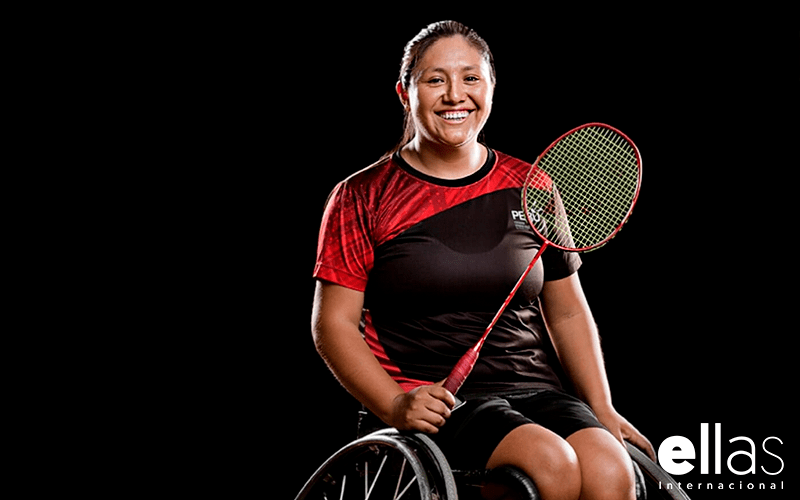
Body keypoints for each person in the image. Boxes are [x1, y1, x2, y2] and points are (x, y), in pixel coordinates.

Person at [311, 20, 656, 500]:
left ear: (491, 87)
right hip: (437, 398)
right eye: (436, 79)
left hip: (538, 390)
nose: (456, 95)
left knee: (610, 470)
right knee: (550, 464)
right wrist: (394, 405)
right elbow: (333, 325)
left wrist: (602, 407)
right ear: (405, 93)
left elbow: (567, 311)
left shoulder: (531, 184)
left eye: (471, 78)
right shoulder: (362, 195)